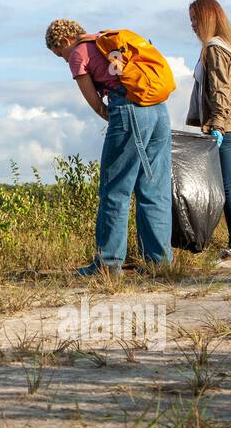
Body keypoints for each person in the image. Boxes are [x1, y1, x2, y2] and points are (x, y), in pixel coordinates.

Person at [46, 19, 172, 276]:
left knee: (114, 188)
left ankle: (108, 263)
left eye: (60, 54)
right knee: (154, 187)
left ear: (64, 42)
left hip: (129, 109)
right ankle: (159, 264)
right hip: (159, 109)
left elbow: (94, 102)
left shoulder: (78, 52)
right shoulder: (105, 40)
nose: (63, 59)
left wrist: (113, 115)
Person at [185, 0, 231, 268]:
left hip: (225, 126)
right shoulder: (221, 47)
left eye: (195, 19)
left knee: (227, 189)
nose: (192, 26)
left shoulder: (214, 49)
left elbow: (220, 90)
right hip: (229, 124)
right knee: (226, 188)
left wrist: (218, 126)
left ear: (208, 18)